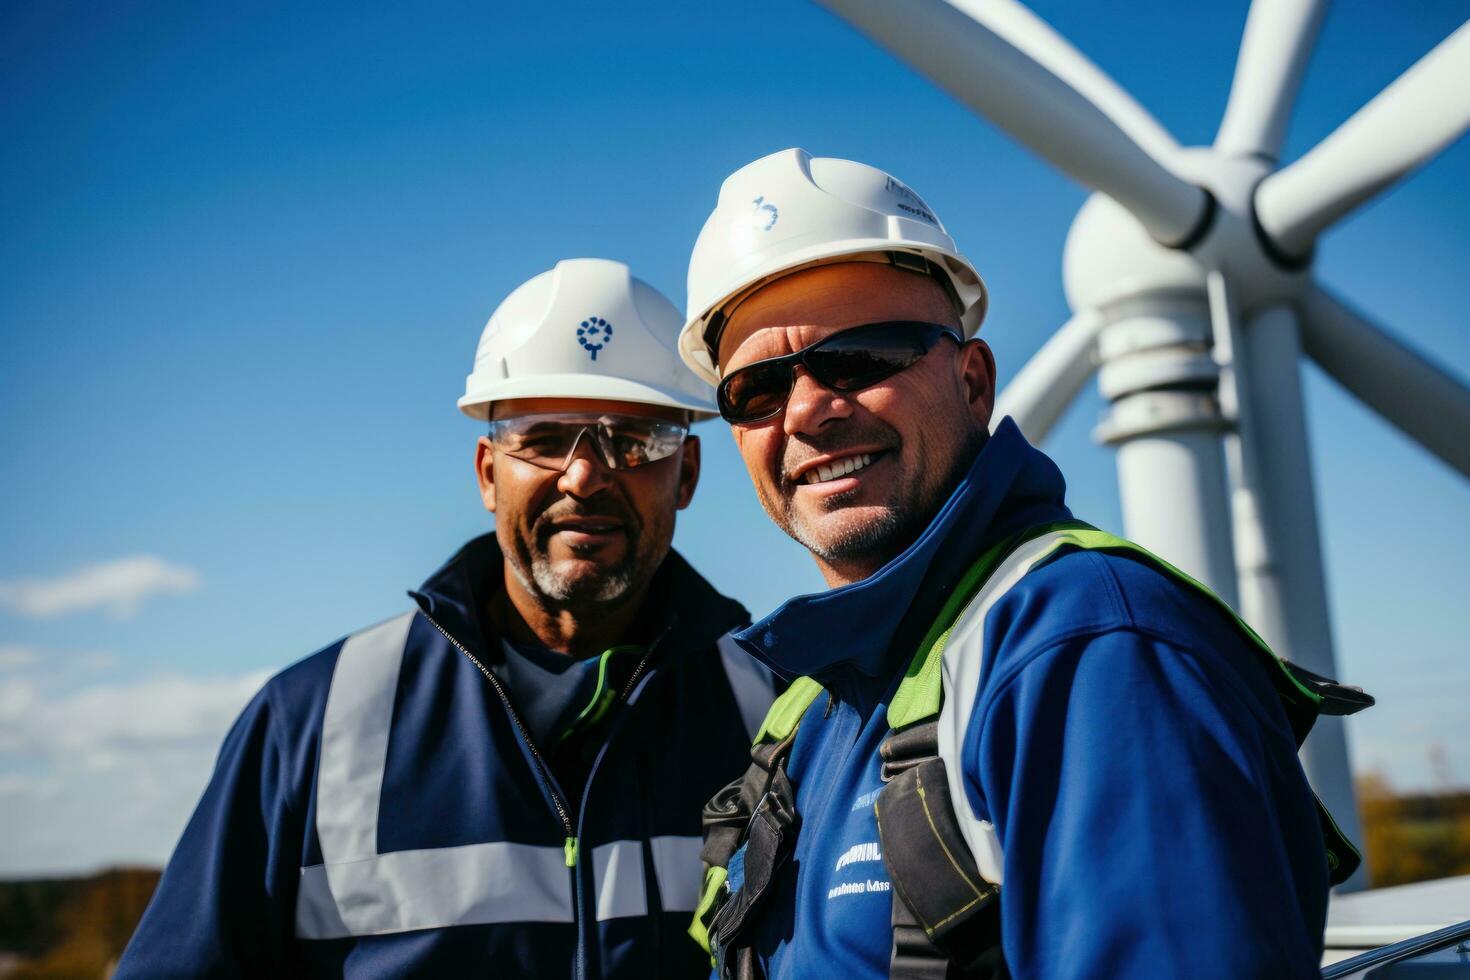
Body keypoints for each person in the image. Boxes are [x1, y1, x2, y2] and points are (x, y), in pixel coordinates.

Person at [677, 149, 1362, 979]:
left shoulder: (1094, 651)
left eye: (860, 358)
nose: (809, 410)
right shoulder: (813, 716)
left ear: (973, 382)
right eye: (756, 390)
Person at [117, 258, 774, 978]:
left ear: (686, 475)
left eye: (635, 439)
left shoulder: (776, 717)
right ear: (488, 473)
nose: (585, 475)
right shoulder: (313, 722)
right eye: (545, 437)